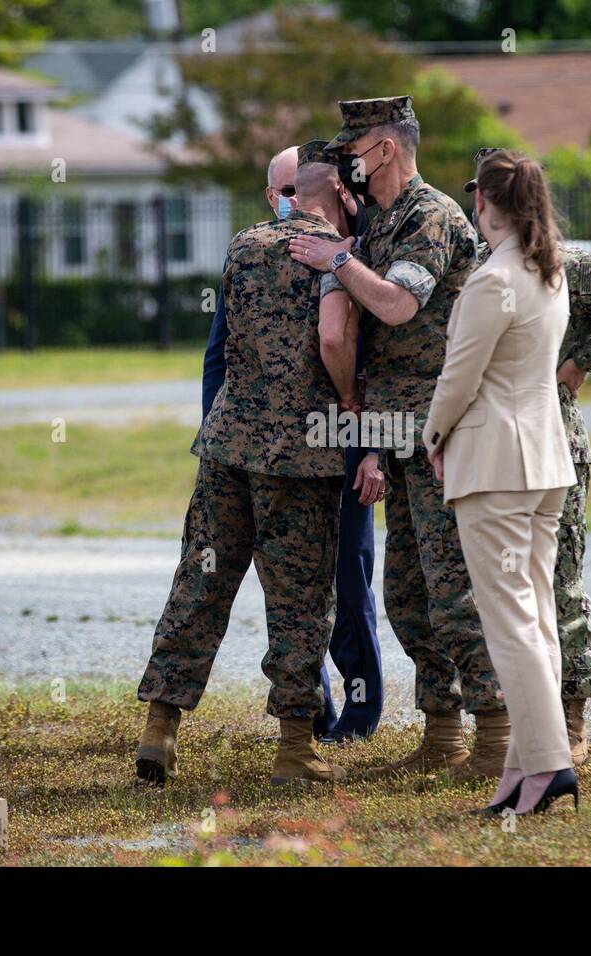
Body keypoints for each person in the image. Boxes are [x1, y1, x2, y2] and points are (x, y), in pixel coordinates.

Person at [290, 96, 508, 780]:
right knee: (409, 596)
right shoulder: (381, 221)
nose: (346, 161)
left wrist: (336, 260)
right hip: (401, 433)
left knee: (458, 592)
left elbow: (398, 303)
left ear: (385, 149)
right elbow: (380, 349)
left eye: (354, 148)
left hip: (450, 433)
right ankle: (443, 732)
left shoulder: (431, 217)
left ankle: (498, 736)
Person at [134, 145, 364, 785]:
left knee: (199, 585)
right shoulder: (339, 258)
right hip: (300, 456)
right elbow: (333, 337)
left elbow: (230, 340)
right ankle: (296, 746)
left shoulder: (244, 244)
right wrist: (349, 396)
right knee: (299, 599)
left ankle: (160, 728)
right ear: (339, 194)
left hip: (228, 448)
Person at [466, 148, 591, 765]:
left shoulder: (571, 267)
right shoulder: (476, 267)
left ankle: (571, 721)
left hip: (553, 439)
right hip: (492, 445)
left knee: (558, 584)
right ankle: (513, 729)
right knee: (500, 593)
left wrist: (583, 361)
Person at [201, 146, 386, 741]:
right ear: (269, 198)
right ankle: (314, 715)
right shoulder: (253, 254)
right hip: (262, 454)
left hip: (337, 445)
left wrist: (365, 449)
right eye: (279, 194)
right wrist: (224, 449)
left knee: (347, 582)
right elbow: (220, 360)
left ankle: (358, 714)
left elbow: (367, 365)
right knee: (292, 588)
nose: (289, 205)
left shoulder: (355, 256)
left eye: (296, 192)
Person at [424, 148, 577, 816]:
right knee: (536, 616)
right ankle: (523, 771)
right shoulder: (549, 272)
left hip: (495, 466)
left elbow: (459, 376)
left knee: (510, 621)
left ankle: (547, 768)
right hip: (544, 462)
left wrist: (432, 436)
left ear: (484, 200)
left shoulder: (493, 280)